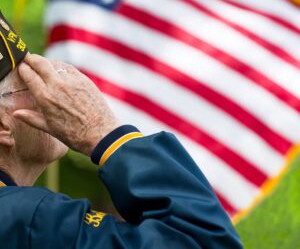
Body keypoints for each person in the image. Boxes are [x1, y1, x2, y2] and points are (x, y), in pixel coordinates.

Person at [0, 53, 243, 248]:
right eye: (32, 84)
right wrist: (103, 132)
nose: (56, 93)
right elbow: (202, 241)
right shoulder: (28, 220)